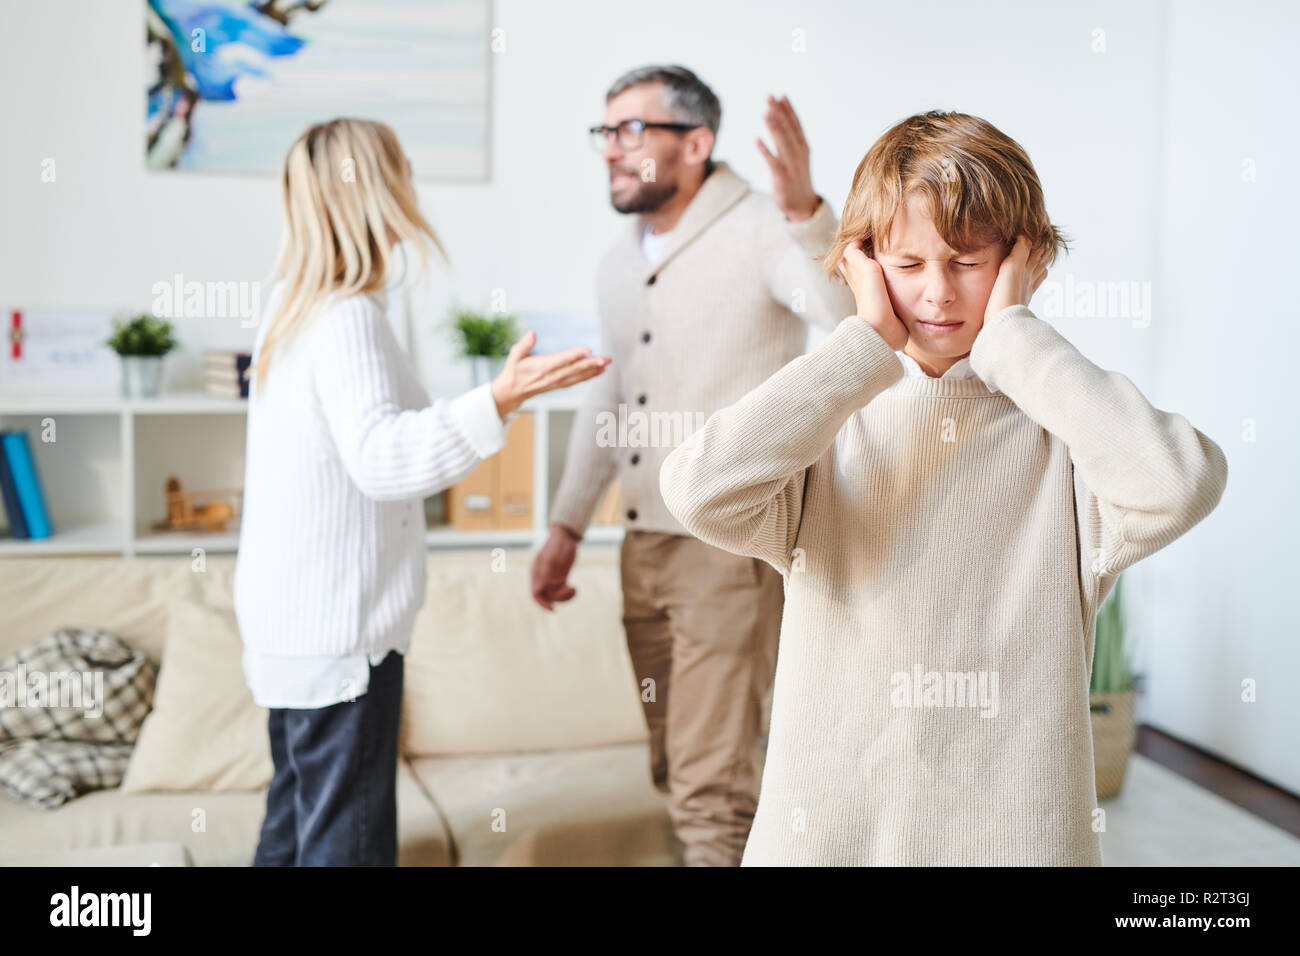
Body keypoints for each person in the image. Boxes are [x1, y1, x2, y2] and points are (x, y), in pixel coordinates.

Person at [659, 110, 1229, 865]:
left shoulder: (1066, 435)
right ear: (862, 263)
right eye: (907, 263)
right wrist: (861, 346)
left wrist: (1017, 339)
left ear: (1026, 263)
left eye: (967, 263)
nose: (936, 293)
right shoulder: (825, 423)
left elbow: (1180, 484)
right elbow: (698, 490)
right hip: (829, 841)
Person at [233, 117, 609, 866]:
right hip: (341, 643)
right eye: (402, 167)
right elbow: (381, 458)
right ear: (377, 189)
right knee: (347, 842)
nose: (413, 181)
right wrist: (496, 401)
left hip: (294, 638)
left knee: (292, 827)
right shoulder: (344, 320)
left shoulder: (293, 308)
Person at [530, 65, 856, 866]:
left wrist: (808, 212)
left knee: (711, 787)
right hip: (643, 546)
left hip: (727, 548)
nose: (611, 150)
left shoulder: (761, 227)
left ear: (697, 143)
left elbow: (848, 317)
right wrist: (567, 524)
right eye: (605, 132)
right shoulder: (619, 260)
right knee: (674, 766)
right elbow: (610, 396)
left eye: (632, 131)